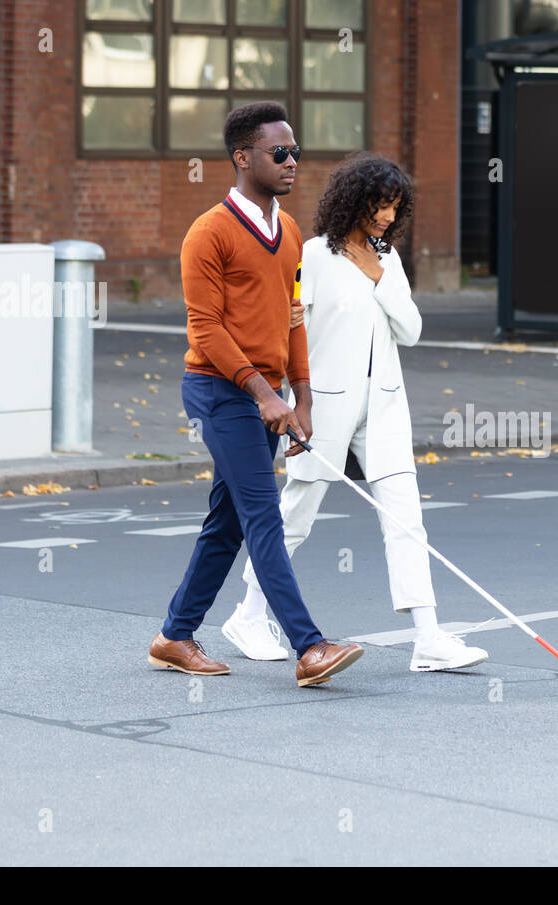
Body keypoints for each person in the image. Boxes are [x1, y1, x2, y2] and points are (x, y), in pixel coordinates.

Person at [221, 154, 488, 673]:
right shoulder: (315, 254)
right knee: (296, 513)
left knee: (406, 517)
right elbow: (292, 331)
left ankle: (428, 637)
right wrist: (292, 399)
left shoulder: (388, 259)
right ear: (353, 201)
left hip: (386, 405)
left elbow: (410, 331)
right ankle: (249, 614)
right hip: (325, 405)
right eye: (378, 205)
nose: (387, 216)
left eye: (394, 206)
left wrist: (379, 275)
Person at [149, 101, 363, 688]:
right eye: (280, 153)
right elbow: (206, 329)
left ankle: (174, 636)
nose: (293, 162)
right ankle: (310, 646)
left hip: (266, 393)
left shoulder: (290, 231)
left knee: (228, 522)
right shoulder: (209, 232)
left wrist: (303, 399)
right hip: (219, 391)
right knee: (263, 514)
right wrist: (260, 394)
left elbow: (294, 318)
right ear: (243, 158)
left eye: (296, 152)